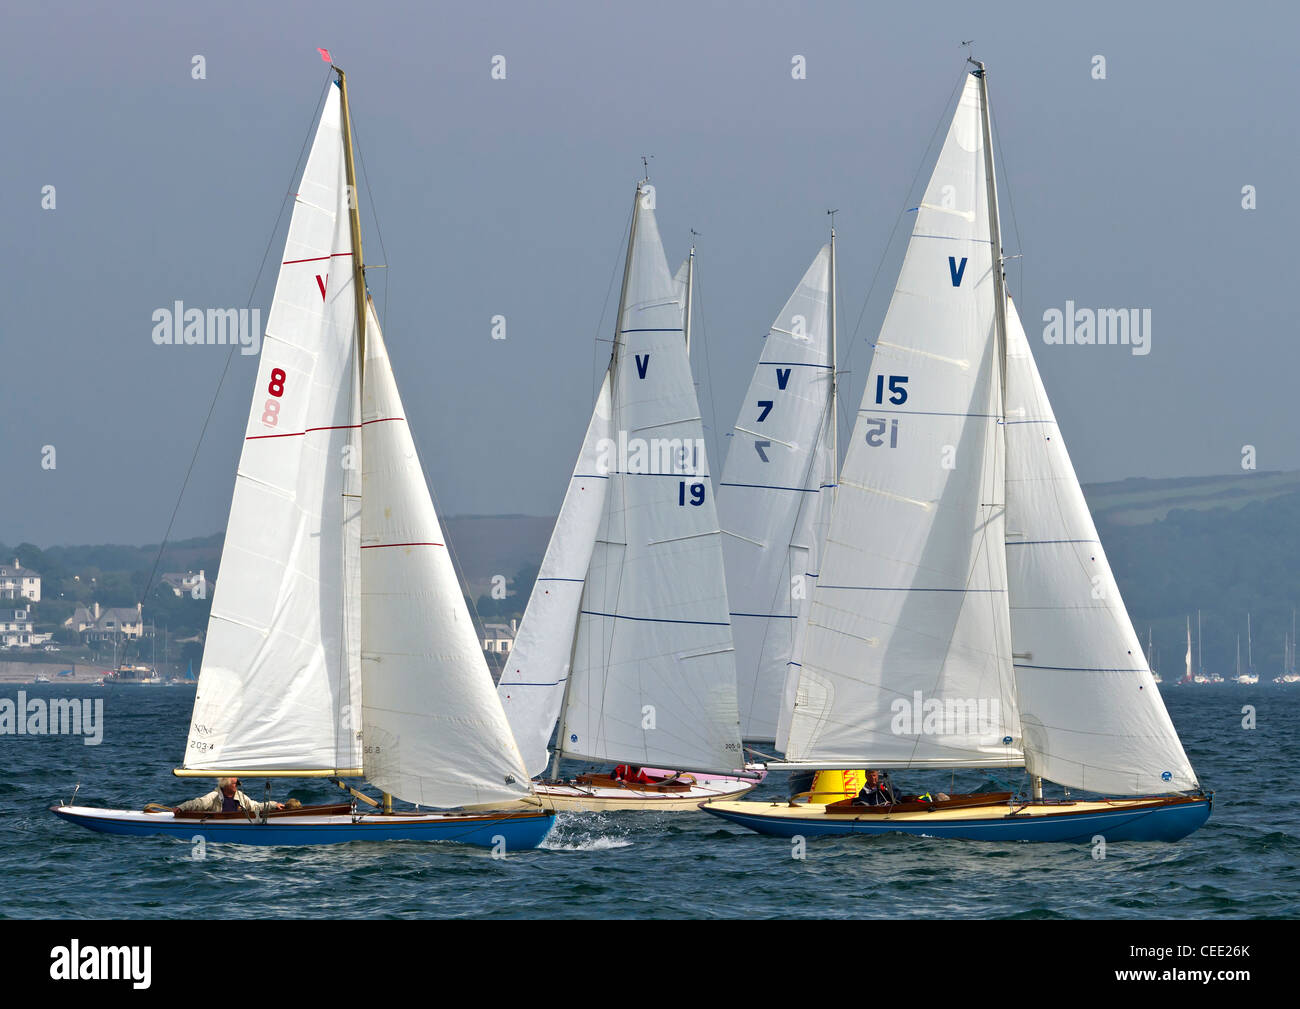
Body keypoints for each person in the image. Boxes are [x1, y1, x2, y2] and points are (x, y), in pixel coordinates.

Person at [173, 777, 283, 814]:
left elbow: (255, 806)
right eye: (234, 783)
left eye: (237, 783)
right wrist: (181, 807)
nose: (237, 785)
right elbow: (198, 803)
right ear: (225, 784)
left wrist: (273, 805)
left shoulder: (240, 796)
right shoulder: (214, 796)